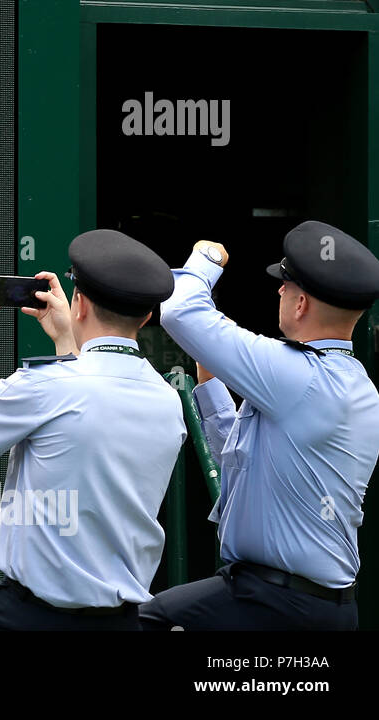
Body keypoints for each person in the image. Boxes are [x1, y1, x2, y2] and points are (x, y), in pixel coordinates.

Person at [0, 230, 184, 630]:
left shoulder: (49, 383)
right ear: (148, 317)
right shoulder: (168, 400)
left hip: (24, 618)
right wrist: (68, 340)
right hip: (119, 622)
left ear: (78, 303)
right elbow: (93, 406)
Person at [140, 222, 379, 630]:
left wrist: (207, 258)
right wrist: (212, 379)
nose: (278, 291)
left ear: (301, 304)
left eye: (286, 285)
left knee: (142, 620)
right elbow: (244, 461)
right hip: (312, 605)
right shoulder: (351, 381)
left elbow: (180, 310)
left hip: (275, 602)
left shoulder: (297, 376)